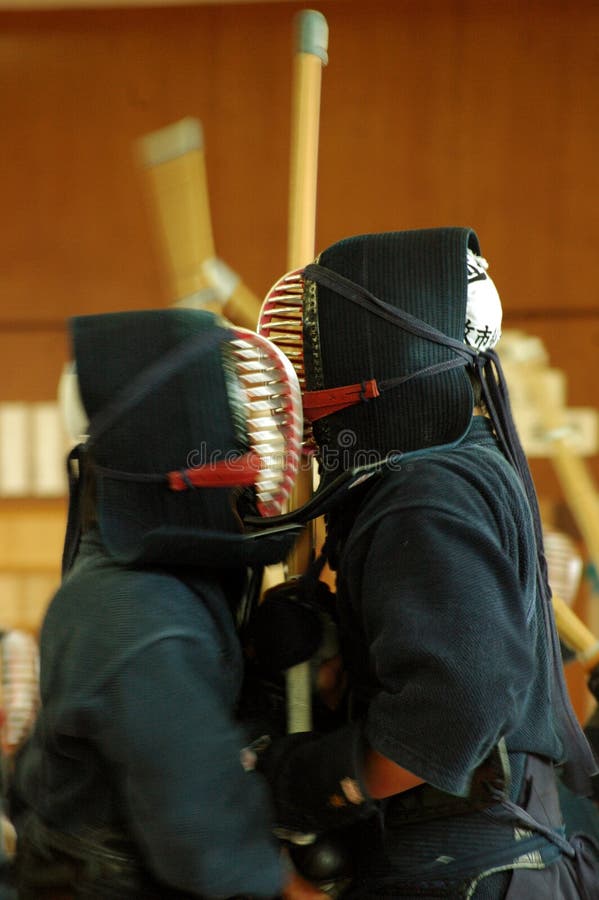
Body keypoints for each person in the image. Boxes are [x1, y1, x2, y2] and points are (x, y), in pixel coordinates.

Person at [247, 228, 599, 898]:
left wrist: (327, 779)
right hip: (488, 859)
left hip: (463, 869)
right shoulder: (459, 459)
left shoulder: (423, 493)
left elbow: (453, 709)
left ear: (379, 355)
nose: (307, 379)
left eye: (322, 353)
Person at [8, 307, 327, 899]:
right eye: (237, 440)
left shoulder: (145, 575)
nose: (256, 467)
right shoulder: (139, 613)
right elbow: (207, 846)